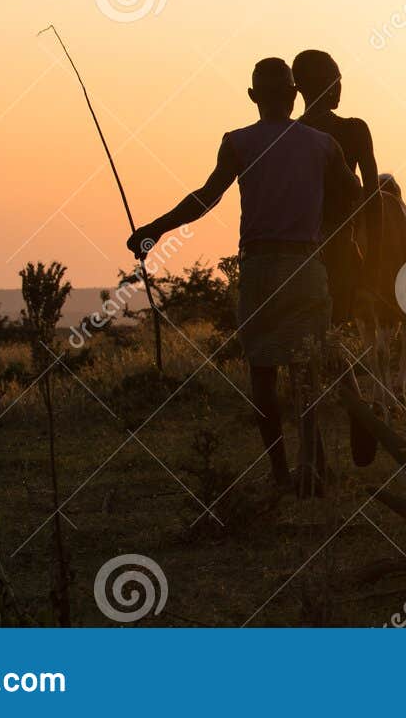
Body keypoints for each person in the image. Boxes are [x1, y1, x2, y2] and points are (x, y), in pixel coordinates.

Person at [127, 57, 357, 497]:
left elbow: (205, 199)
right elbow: (353, 195)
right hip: (306, 265)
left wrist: (153, 231)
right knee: (306, 371)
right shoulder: (325, 145)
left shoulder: (237, 144)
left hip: (259, 269)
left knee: (264, 373)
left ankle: (281, 473)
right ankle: (313, 470)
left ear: (253, 97)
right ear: (294, 96)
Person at [291, 50, 378, 327]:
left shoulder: (286, 134)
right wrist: (374, 257)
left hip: (296, 248)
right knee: (335, 328)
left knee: (307, 330)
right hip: (340, 245)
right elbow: (372, 197)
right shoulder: (354, 130)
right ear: (329, 84)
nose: (341, 86)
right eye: (337, 79)